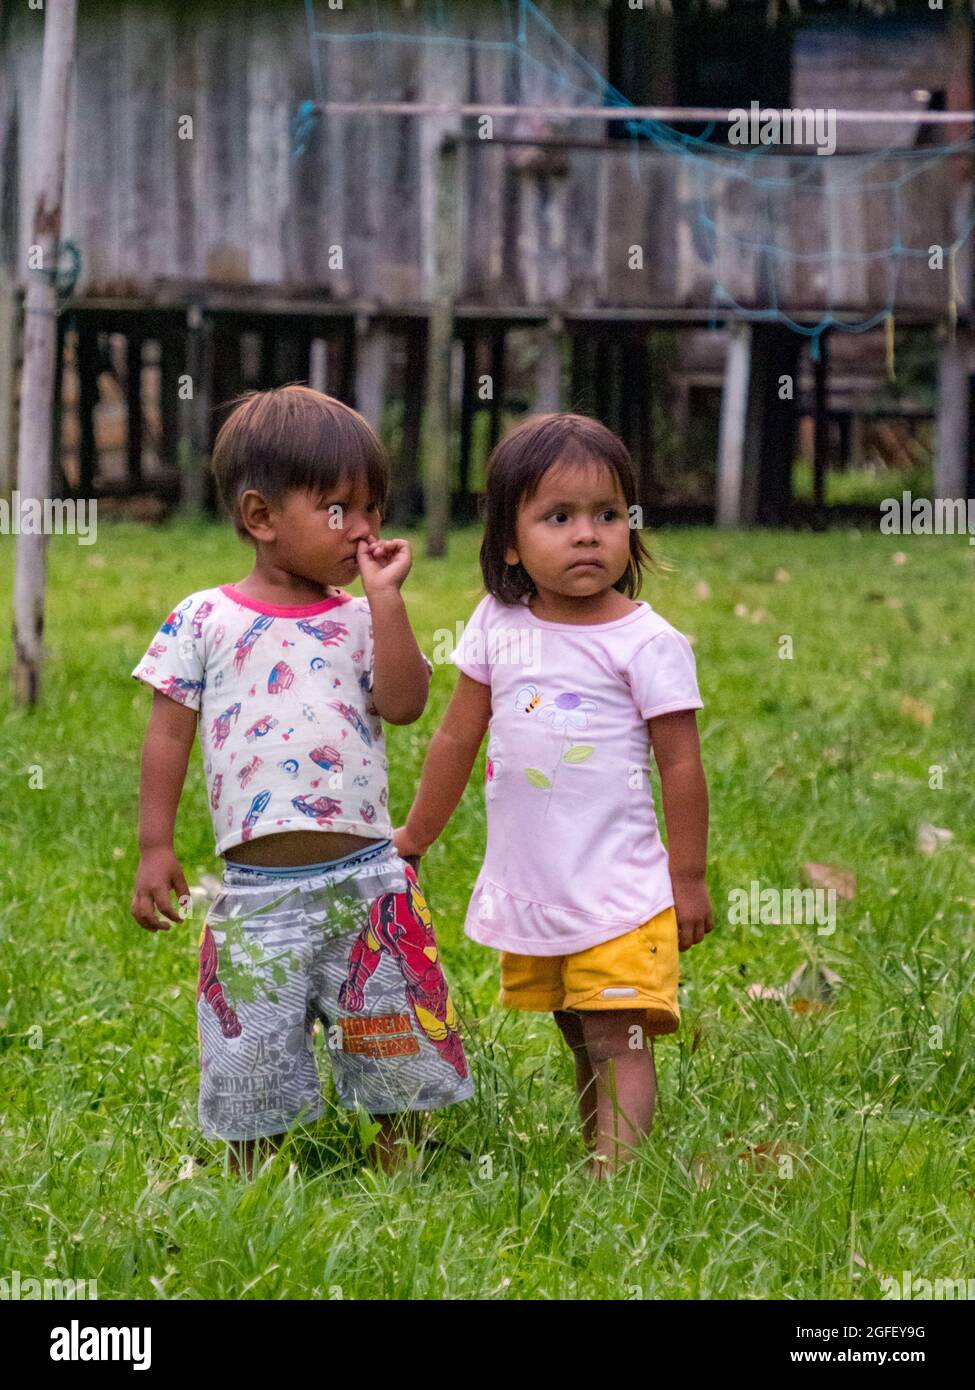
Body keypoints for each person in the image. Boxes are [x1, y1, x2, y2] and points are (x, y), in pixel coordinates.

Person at [130, 385, 473, 1177]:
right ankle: (255, 1179)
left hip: (367, 883)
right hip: (253, 896)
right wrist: (155, 844)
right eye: (338, 509)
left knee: (393, 1043)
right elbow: (166, 734)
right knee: (249, 1055)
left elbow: (406, 702)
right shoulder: (202, 619)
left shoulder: (359, 618)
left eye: (372, 509)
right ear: (259, 517)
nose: (364, 529)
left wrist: (387, 604)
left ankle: (403, 1173)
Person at [395, 413, 712, 1175]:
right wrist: (413, 836)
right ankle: (593, 1154)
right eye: (558, 517)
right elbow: (453, 738)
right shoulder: (497, 623)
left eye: (608, 516)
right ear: (509, 541)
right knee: (577, 1028)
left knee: (617, 1033)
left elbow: (681, 767)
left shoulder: (646, 642)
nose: (587, 535)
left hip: (623, 887)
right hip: (540, 885)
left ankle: (616, 1183)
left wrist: (688, 877)